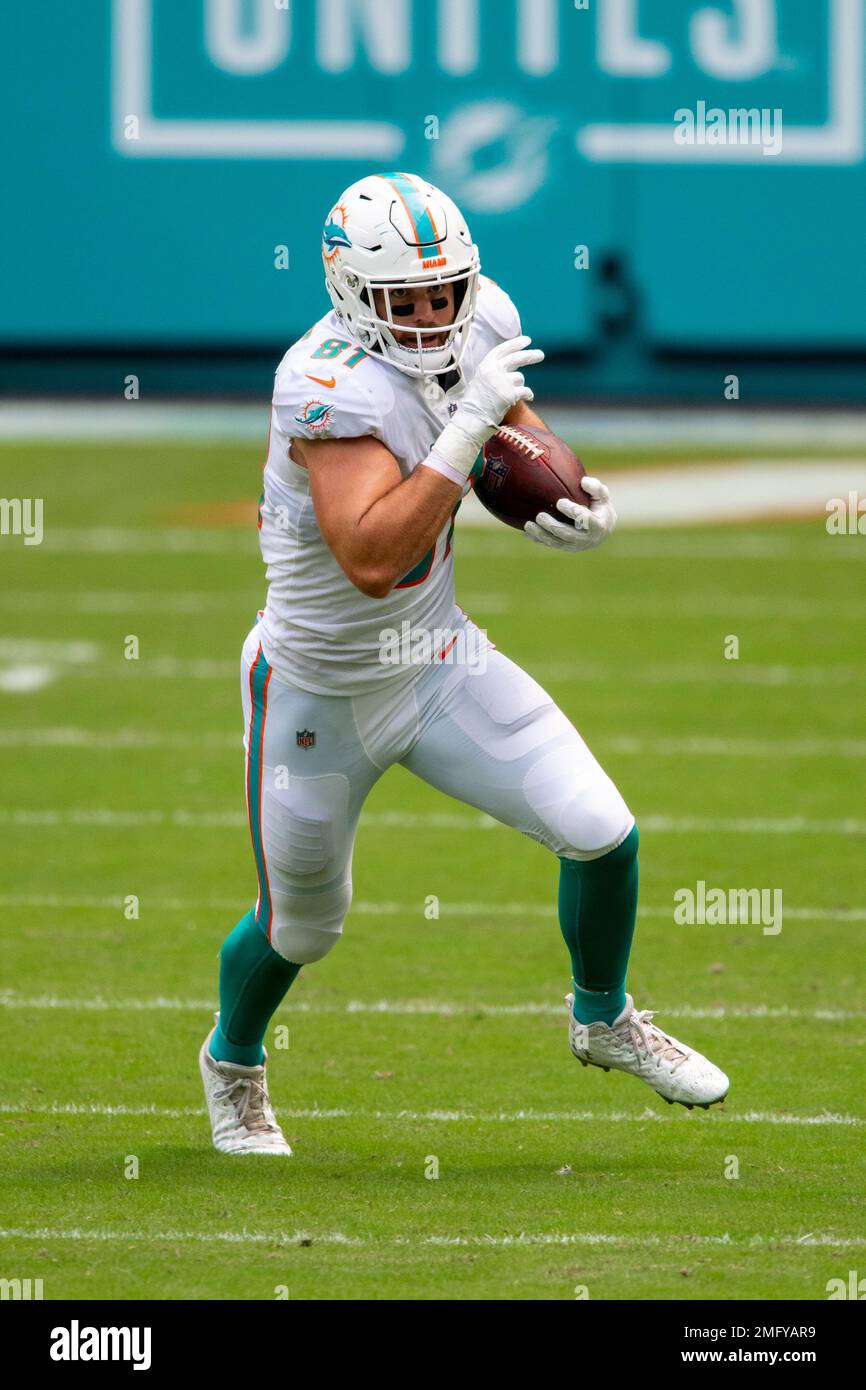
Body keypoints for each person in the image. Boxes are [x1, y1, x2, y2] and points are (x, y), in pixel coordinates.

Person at [199, 172, 728, 1155]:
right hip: (316, 690)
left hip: (436, 658)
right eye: (407, 299)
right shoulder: (321, 381)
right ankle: (232, 1061)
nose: (433, 315)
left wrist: (563, 485)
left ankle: (601, 1016)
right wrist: (465, 425)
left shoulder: (481, 319)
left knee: (602, 831)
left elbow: (504, 432)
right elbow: (367, 555)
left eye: (446, 293)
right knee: (303, 926)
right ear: (352, 293)